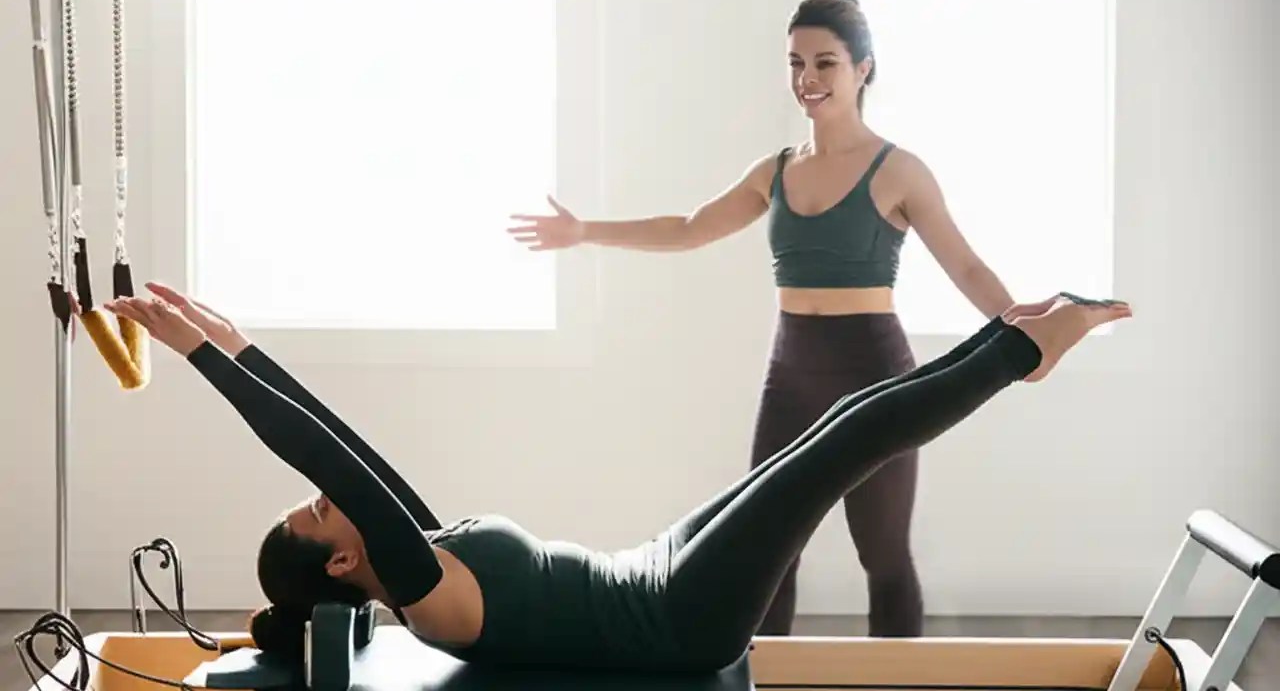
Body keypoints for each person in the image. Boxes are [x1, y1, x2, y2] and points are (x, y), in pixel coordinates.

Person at [105, 282, 1128, 673]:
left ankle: (1013, 333)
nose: (335, 494)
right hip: (682, 616)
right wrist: (199, 364)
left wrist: (237, 347)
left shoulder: (413, 547)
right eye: (321, 511)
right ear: (339, 557)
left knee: (821, 428)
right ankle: (1024, 353)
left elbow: (344, 445)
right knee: (835, 452)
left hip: (655, 564)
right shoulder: (425, 602)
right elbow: (325, 460)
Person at [506, 0, 1016, 637]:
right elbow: (688, 228)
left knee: (882, 555)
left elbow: (967, 267)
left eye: (825, 63)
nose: (807, 78)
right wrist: (584, 232)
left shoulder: (900, 171)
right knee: (764, 549)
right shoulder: (774, 172)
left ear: (863, 68)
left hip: (876, 373)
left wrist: (1022, 327)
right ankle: (758, 675)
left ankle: (898, 680)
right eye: (795, 62)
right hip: (791, 376)